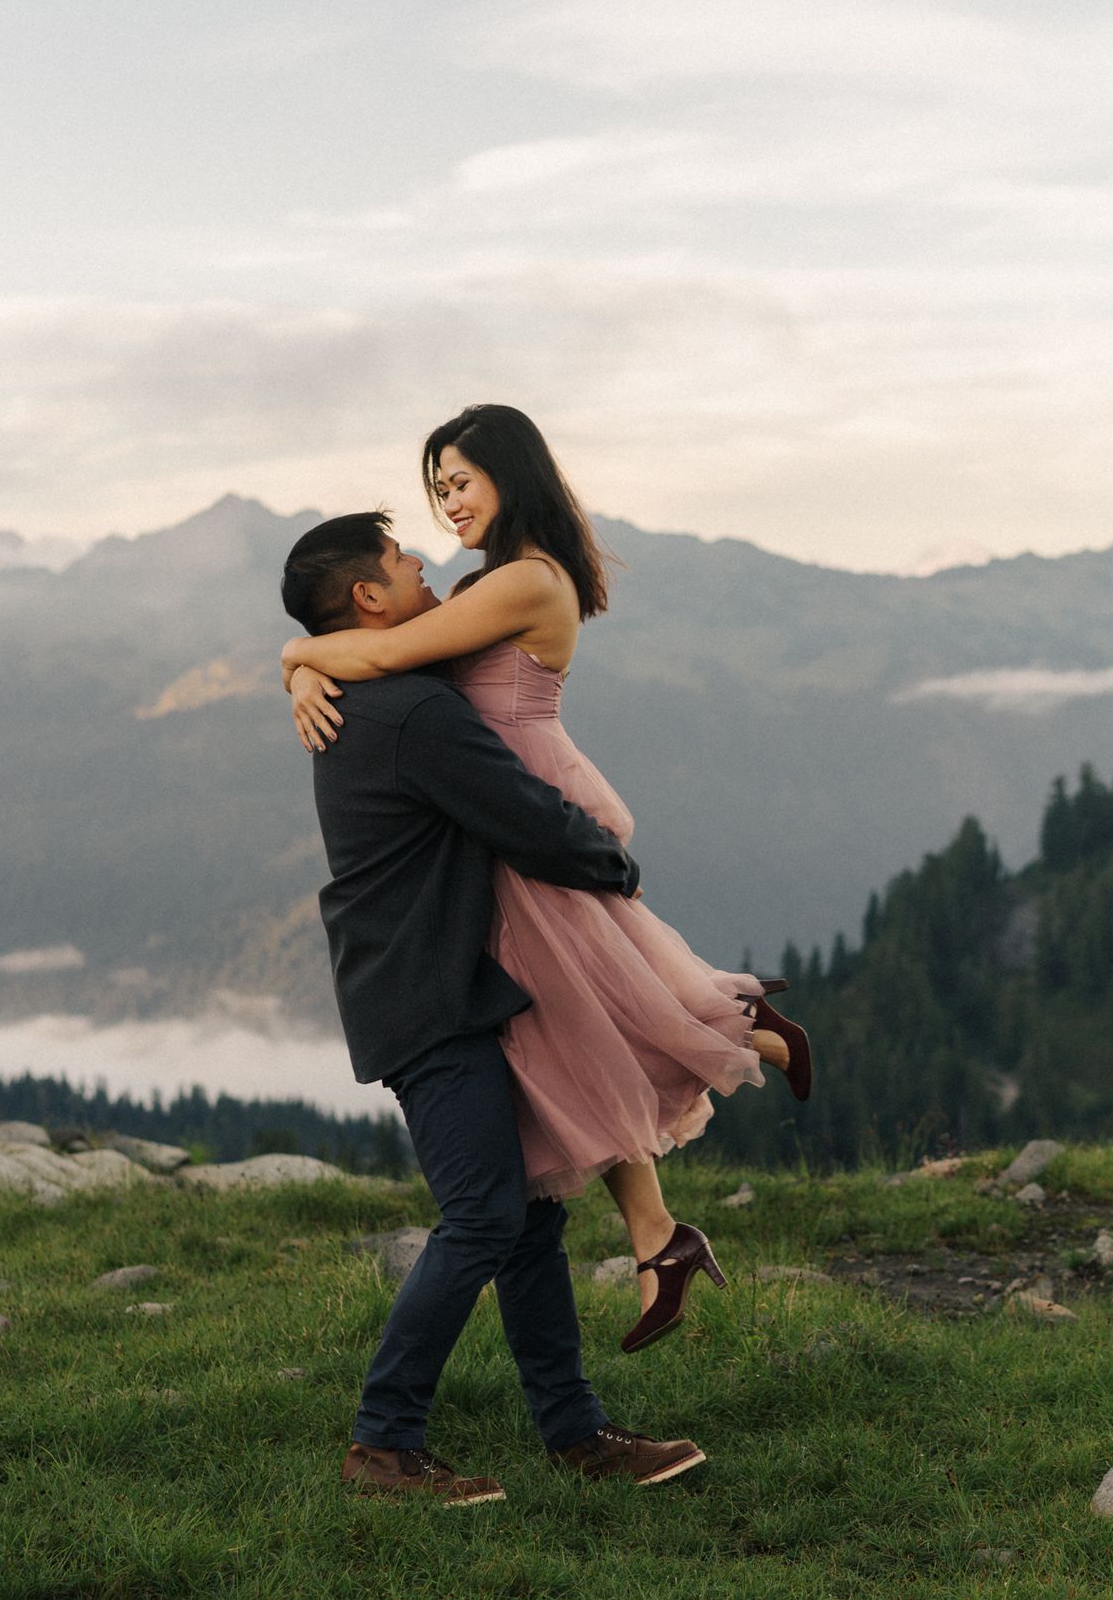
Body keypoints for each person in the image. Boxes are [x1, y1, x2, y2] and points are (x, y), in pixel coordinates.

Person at [282, 404, 811, 1353]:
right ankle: (659, 1234)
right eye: (436, 487)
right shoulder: (487, 584)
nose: (446, 505)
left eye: (461, 481)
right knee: (573, 1028)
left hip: (531, 805)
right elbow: (379, 637)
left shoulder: (524, 580)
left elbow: (386, 649)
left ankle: (740, 1029)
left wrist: (295, 656)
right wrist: (305, 661)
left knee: (579, 1017)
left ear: (510, 474)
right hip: (514, 807)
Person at [281, 510, 708, 1505]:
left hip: (424, 980)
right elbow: (527, 820)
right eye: (400, 558)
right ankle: (383, 1446)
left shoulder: (364, 688)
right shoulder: (414, 714)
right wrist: (615, 865)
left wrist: (296, 665)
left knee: (525, 1216)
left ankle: (576, 1432)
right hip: (431, 993)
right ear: (368, 600)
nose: (423, 559)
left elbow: (363, 662)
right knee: (482, 1215)